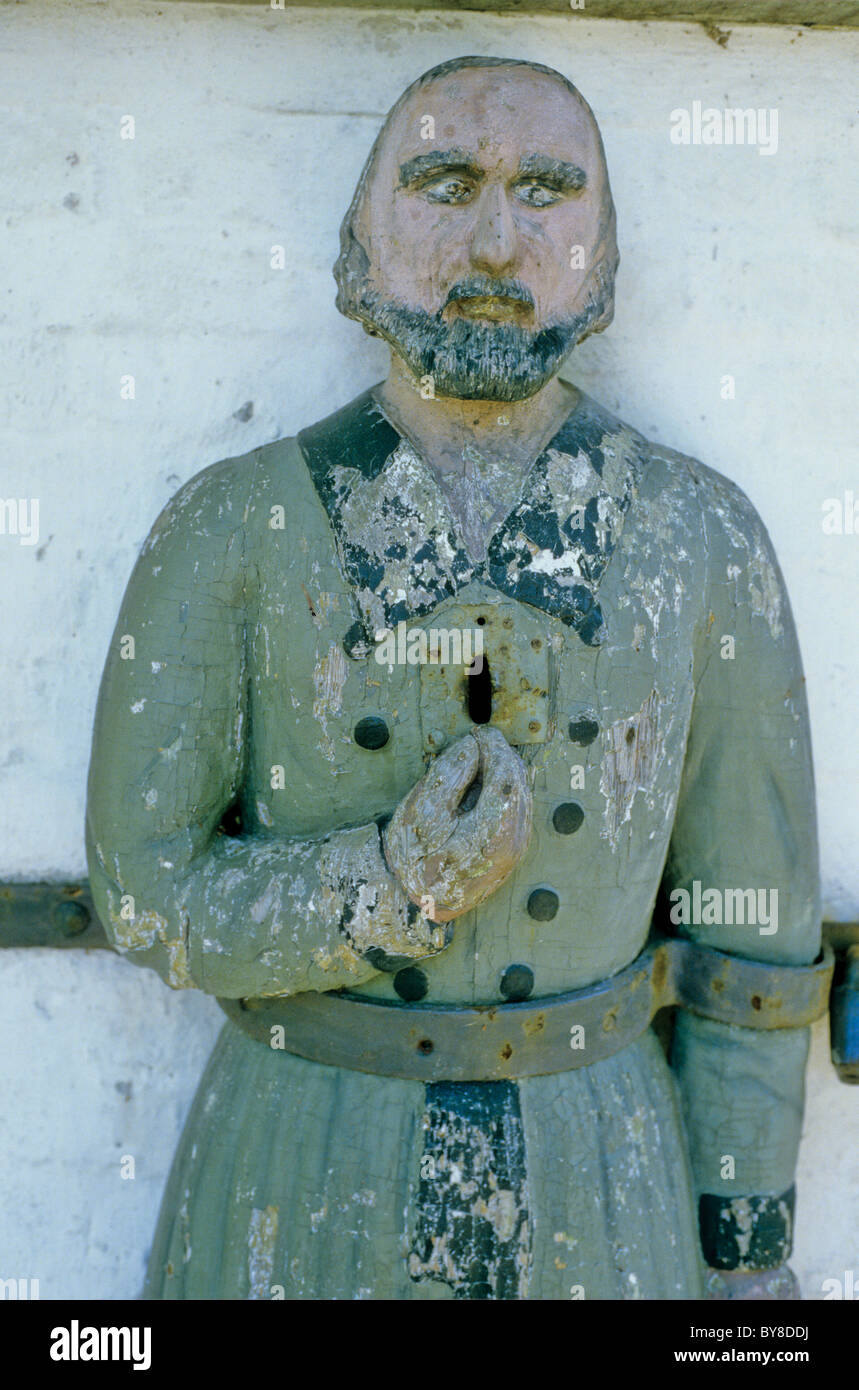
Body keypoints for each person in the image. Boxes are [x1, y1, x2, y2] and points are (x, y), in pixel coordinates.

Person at [86, 56, 821, 1299]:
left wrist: (747, 1269)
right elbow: (141, 888)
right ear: (357, 244)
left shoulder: (703, 542)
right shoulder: (230, 528)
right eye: (441, 183)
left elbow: (750, 944)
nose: (494, 242)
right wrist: (375, 888)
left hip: (598, 1177)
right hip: (304, 1160)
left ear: (605, 252)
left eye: (546, 192)